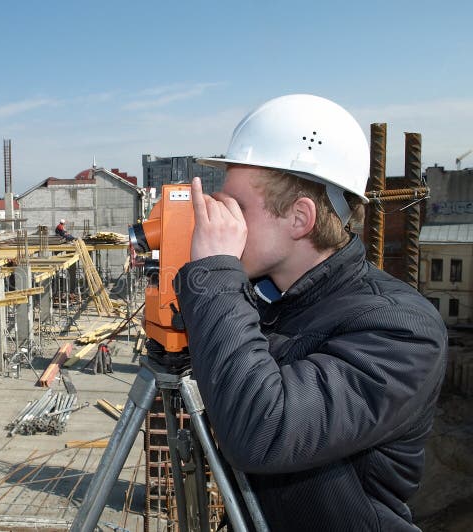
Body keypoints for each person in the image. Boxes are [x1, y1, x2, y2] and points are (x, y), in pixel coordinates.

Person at [174, 94, 447, 531]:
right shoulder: (268, 301)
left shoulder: (400, 328)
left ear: (300, 219)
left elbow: (262, 431)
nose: (220, 219)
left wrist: (215, 278)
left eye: (238, 208)